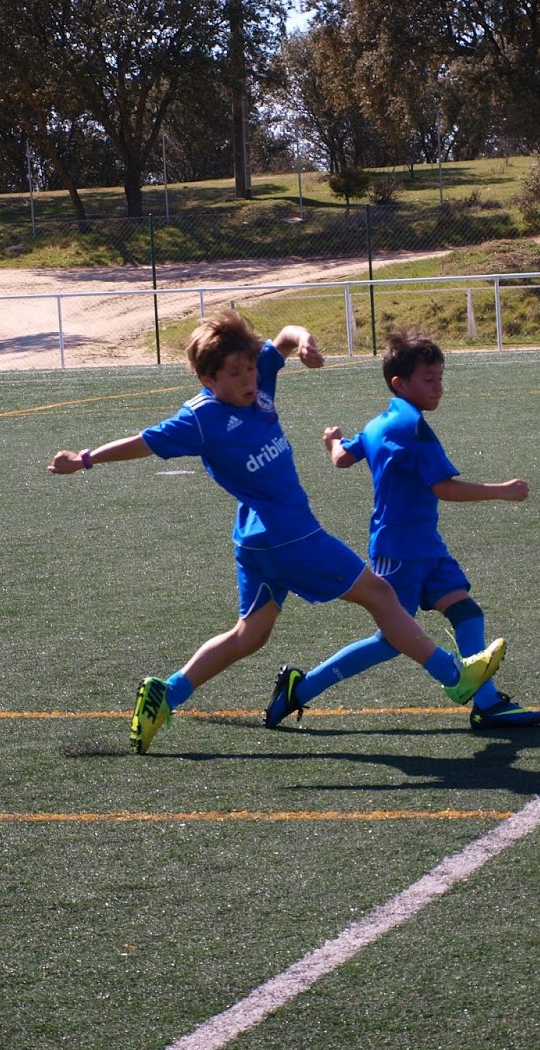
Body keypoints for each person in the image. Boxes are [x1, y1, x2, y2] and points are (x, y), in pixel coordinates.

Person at [48, 311, 504, 753]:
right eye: (236, 373)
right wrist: (84, 459)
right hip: (291, 536)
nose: (249, 379)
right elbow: (143, 442)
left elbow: (282, 338)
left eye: (249, 368)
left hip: (255, 538)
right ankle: (455, 676)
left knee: (251, 634)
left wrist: (303, 339)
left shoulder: (258, 378)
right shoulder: (199, 419)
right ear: (209, 379)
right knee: (381, 595)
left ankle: (166, 694)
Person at [263, 330, 540, 732]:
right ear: (400, 383)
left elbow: (343, 458)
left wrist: (332, 441)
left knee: (466, 610)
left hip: (423, 545)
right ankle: (300, 689)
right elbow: (443, 488)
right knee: (392, 640)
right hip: (399, 550)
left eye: (440, 378)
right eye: (429, 380)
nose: (439, 388)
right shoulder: (412, 428)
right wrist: (501, 491)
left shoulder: (381, 422)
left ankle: (487, 704)